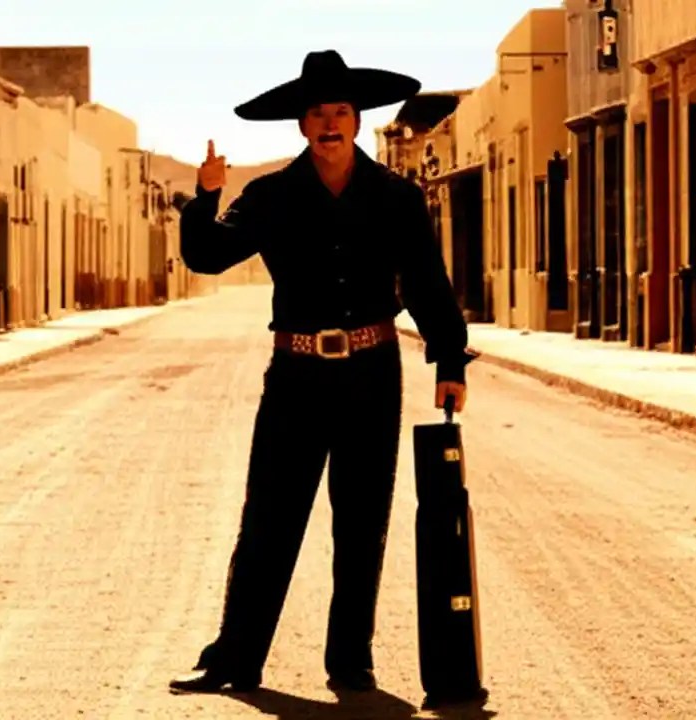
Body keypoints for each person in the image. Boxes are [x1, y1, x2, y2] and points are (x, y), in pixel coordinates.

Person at [168, 50, 471, 695]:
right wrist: (206, 196)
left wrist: (449, 358)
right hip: (296, 375)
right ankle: (235, 658)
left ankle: (350, 659)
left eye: (340, 111)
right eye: (317, 113)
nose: (329, 123)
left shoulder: (396, 197)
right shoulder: (270, 196)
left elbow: (425, 281)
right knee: (269, 519)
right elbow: (209, 256)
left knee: (362, 518)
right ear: (301, 125)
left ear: (357, 119)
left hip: (371, 371)